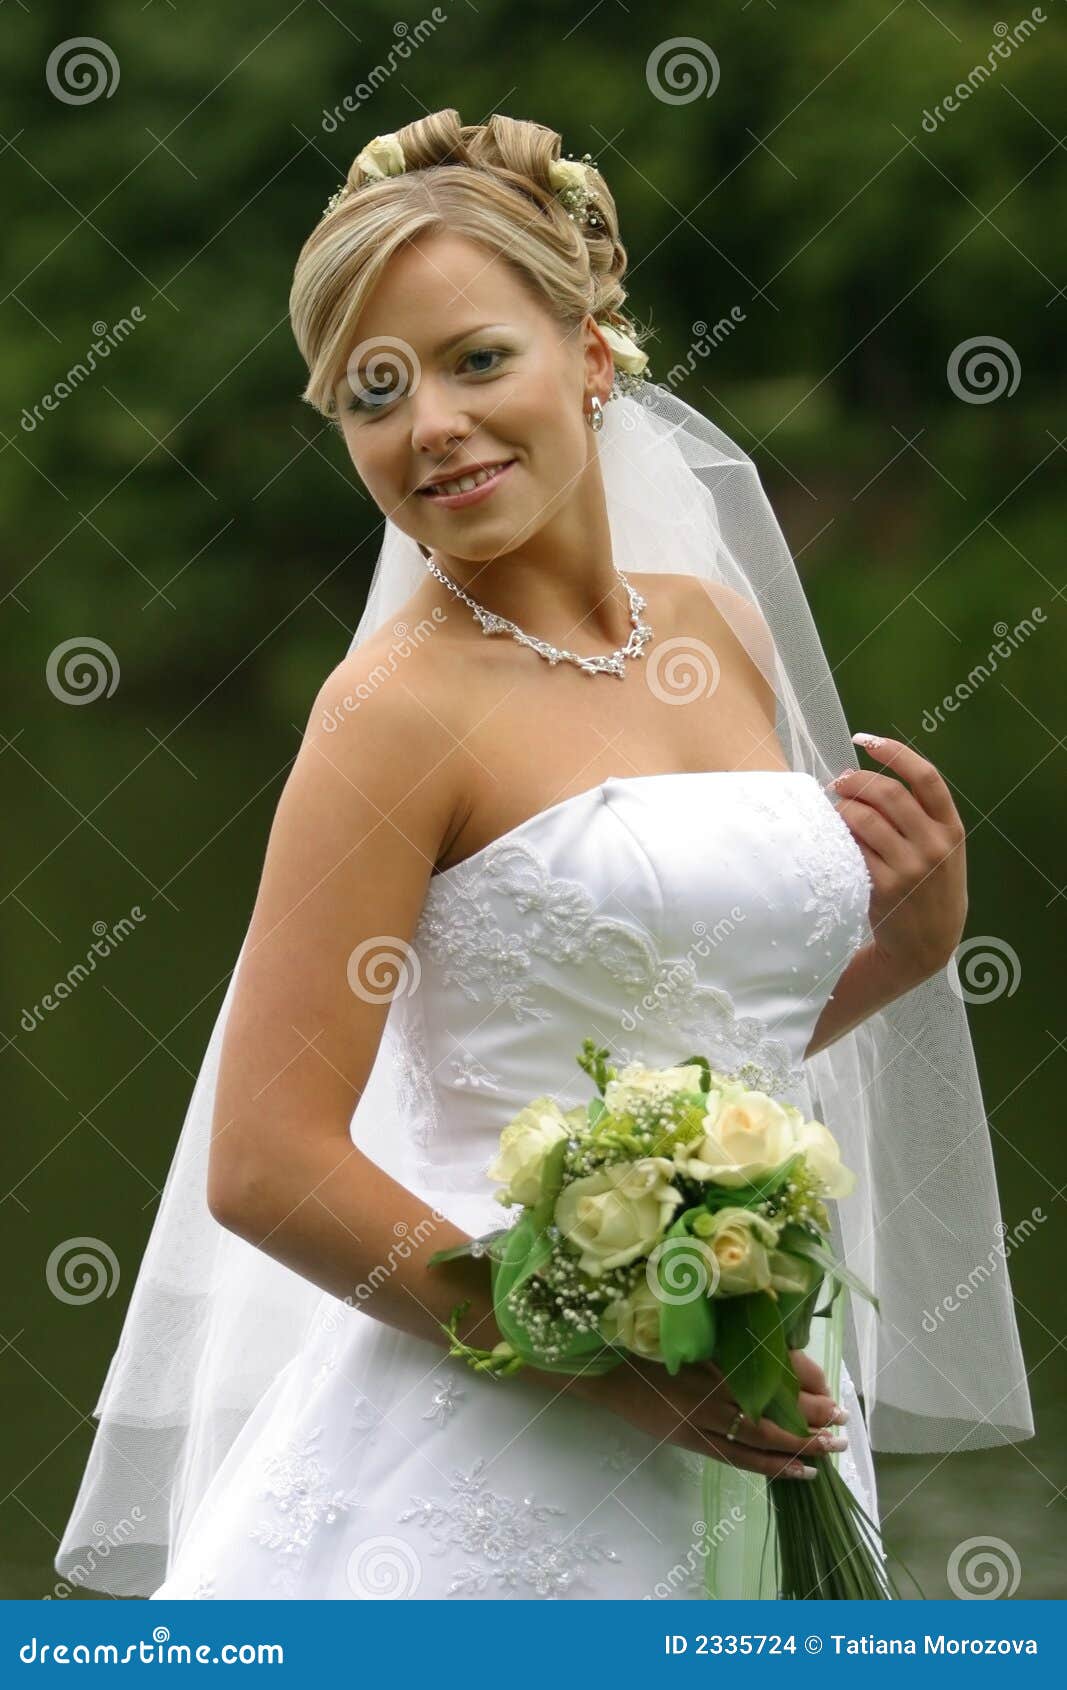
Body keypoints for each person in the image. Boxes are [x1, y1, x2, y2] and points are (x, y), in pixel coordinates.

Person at [54, 109, 1032, 1602]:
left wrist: (901, 946)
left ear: (589, 352)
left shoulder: (714, 627)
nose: (428, 421)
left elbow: (693, 1038)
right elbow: (266, 1164)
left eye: (474, 359)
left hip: (751, 1396)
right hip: (493, 1447)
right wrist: (596, 1364)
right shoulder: (393, 714)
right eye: (373, 393)